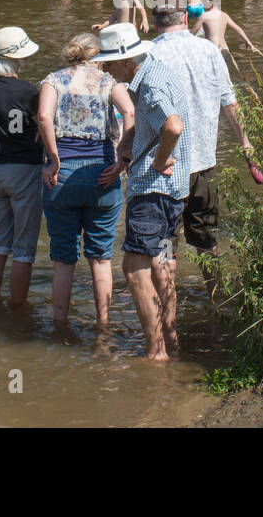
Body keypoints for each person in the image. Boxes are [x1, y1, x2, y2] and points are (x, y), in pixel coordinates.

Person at [92, 22, 191, 360]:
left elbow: (173, 126)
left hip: (153, 192)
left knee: (134, 270)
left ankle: (156, 352)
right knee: (162, 262)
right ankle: (170, 338)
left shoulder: (148, 84)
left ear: (125, 61)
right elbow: (160, 123)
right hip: (174, 193)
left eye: (108, 62)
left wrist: (160, 160)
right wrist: (132, 142)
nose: (105, 68)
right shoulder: (158, 72)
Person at [149, 6, 258, 300]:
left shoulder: (149, 54)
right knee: (205, 236)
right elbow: (230, 103)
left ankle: (166, 308)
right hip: (202, 161)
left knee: (165, 240)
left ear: (155, 23)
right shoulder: (209, 51)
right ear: (186, 19)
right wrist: (246, 142)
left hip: (163, 165)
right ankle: (217, 299)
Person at [37, 33, 135, 325]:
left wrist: (53, 159)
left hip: (62, 173)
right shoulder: (109, 82)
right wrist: (123, 157)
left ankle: (59, 325)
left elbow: (43, 117)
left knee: (64, 258)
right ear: (98, 55)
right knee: (101, 257)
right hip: (102, 172)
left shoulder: (53, 80)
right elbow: (129, 111)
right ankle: (103, 325)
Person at [0, 26, 44, 308]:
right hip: (24, 169)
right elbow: (44, 124)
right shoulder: (29, 91)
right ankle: (18, 310)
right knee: (24, 251)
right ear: (17, 58)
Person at [192, 0, 257, 56]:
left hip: (213, 50)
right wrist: (248, 41)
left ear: (210, 1)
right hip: (225, 49)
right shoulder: (224, 15)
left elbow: (192, 34)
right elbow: (239, 29)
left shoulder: (204, 16)